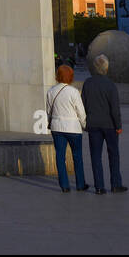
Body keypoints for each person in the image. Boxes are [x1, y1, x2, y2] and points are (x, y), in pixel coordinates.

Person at [81, 53, 127, 194]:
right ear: (106, 68)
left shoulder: (87, 83)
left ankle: (99, 186)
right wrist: (118, 126)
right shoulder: (110, 85)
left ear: (95, 68)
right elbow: (115, 108)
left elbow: (83, 104)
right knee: (113, 154)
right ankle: (115, 184)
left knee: (95, 156)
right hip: (110, 125)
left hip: (93, 124)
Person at [45, 64, 90, 193]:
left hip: (57, 127)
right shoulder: (74, 92)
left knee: (60, 156)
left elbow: (48, 111)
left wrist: (51, 121)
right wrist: (85, 124)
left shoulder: (51, 91)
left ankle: (64, 185)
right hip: (73, 128)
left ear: (57, 76)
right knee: (77, 156)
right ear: (71, 77)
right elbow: (81, 112)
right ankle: (80, 184)